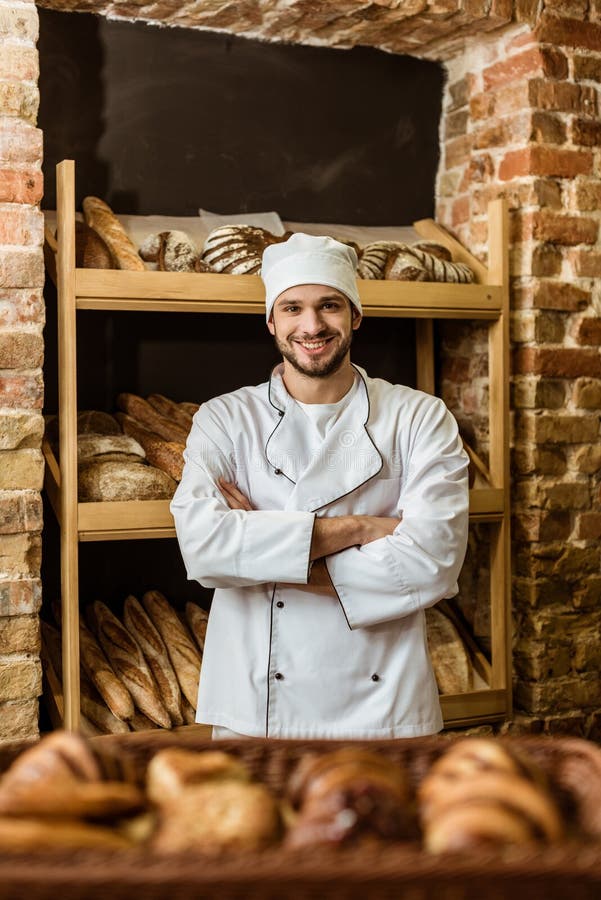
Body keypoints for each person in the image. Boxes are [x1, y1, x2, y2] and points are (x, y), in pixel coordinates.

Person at [170, 233, 469, 739]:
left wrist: (264, 547)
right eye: (292, 308)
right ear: (271, 320)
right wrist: (362, 527)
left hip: (385, 703)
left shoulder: (418, 416)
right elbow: (204, 548)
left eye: (328, 305)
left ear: (355, 315)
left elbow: (433, 563)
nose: (311, 326)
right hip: (257, 704)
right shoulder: (224, 419)